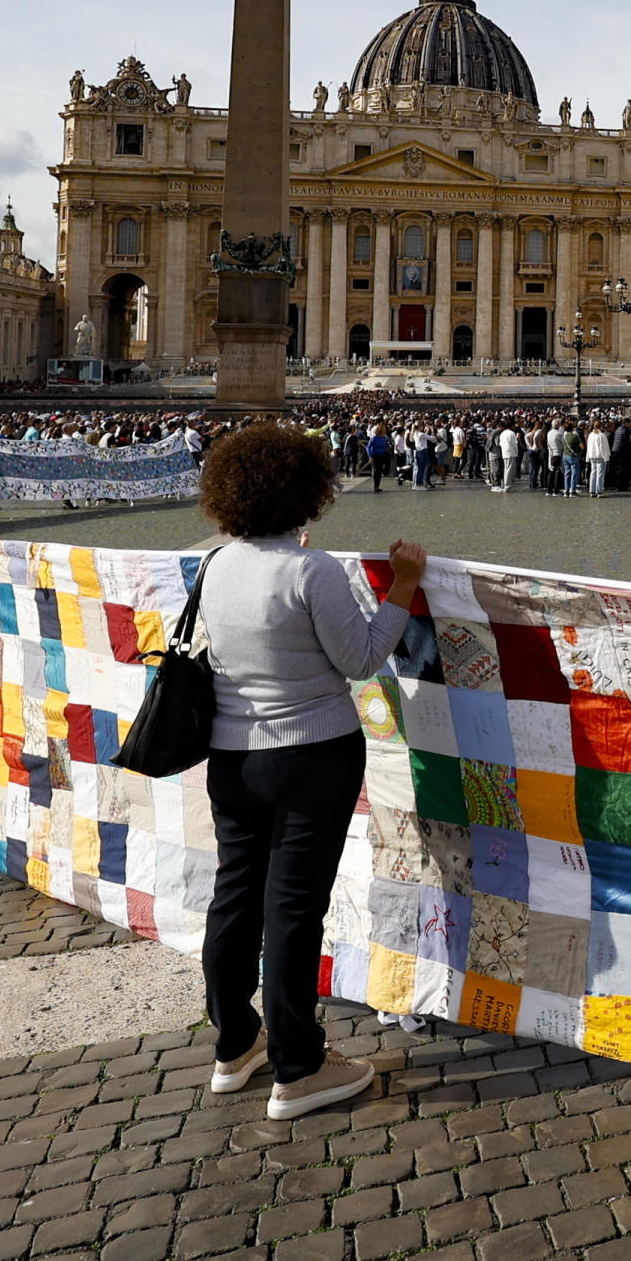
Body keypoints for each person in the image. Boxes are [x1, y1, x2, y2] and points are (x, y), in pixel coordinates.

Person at [193, 422, 426, 1121]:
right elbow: (361, 657)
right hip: (309, 757)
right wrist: (405, 585)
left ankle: (235, 1046)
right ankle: (298, 1068)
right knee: (292, 910)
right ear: (307, 491)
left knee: (234, 899)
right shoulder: (309, 569)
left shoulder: (213, 565)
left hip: (232, 758)